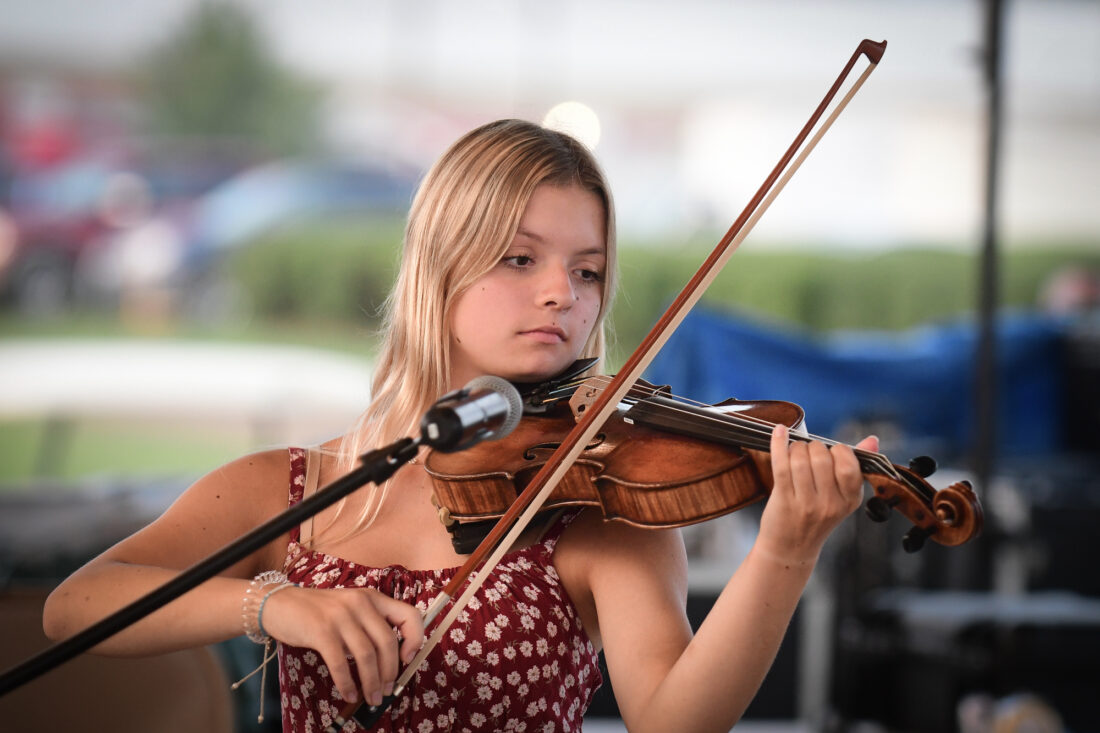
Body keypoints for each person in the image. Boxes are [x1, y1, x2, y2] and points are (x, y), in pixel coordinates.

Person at [42, 119, 876, 732]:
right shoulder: (288, 486)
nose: (564, 293)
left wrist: (784, 550)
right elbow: (76, 607)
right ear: (439, 266)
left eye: (587, 271)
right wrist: (275, 604)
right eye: (521, 259)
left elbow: (674, 722)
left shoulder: (595, 517)